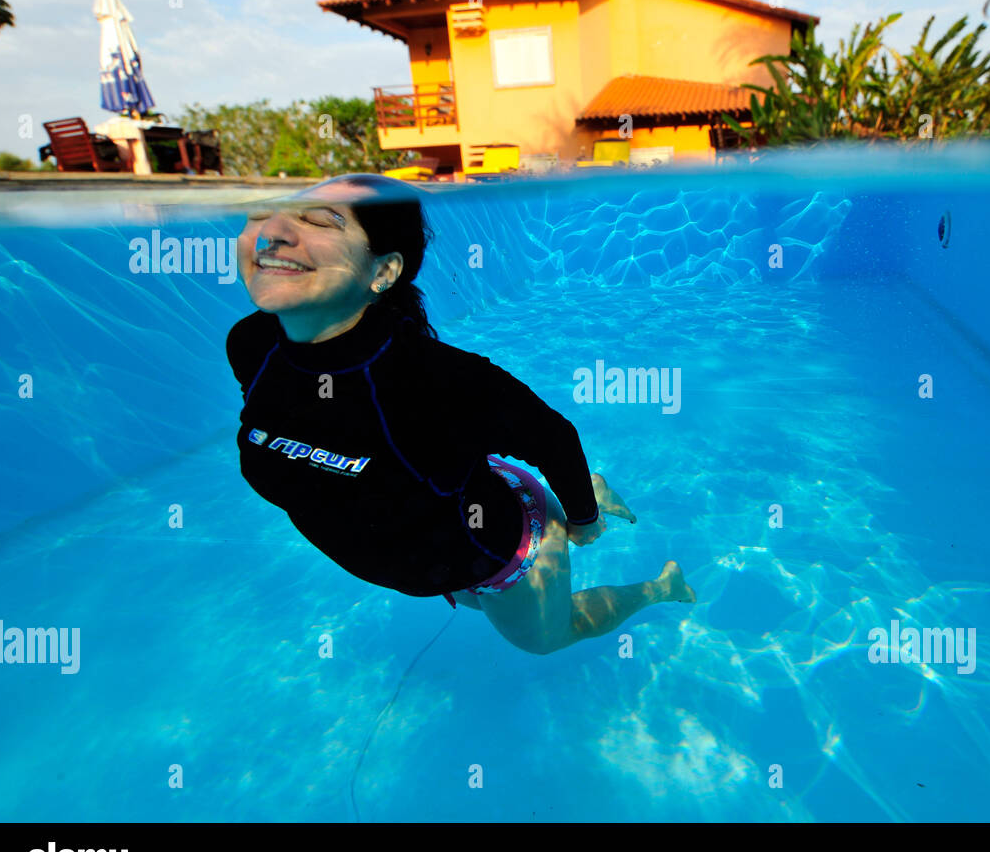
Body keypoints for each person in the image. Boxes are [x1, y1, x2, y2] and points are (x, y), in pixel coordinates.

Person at [225, 174, 695, 655]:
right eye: (263, 214)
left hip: (502, 552)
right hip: (440, 548)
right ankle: (580, 494)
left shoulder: (438, 379)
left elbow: (553, 436)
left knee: (550, 638)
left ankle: (663, 585)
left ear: (383, 271)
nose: (273, 232)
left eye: (320, 221)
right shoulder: (250, 345)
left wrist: (584, 518)